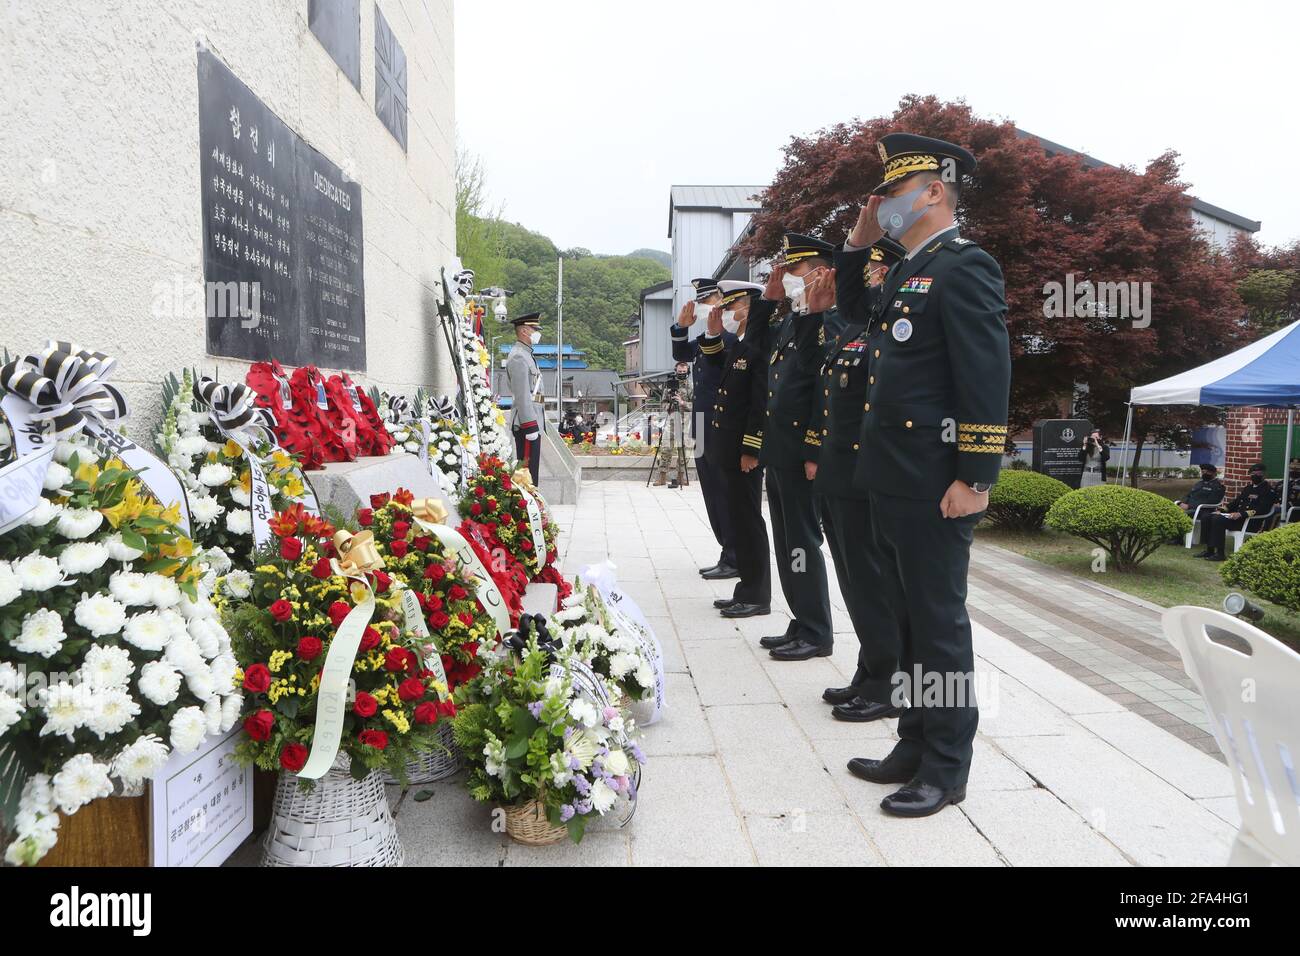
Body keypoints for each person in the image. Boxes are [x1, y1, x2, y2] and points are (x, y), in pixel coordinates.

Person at [842, 132, 1011, 818]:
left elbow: (986, 374)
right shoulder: (912, 267)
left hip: (937, 482)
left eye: (893, 193)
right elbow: (853, 314)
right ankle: (912, 745)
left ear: (934, 191)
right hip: (892, 478)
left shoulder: (965, 266)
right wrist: (856, 244)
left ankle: (946, 766)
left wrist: (976, 476)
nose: (883, 205)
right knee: (910, 623)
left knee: (939, 627)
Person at [811, 235, 907, 721]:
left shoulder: (888, 332)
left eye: (876, 272)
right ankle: (869, 669)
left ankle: (889, 681)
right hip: (837, 475)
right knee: (852, 580)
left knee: (872, 581)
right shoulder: (853, 330)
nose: (869, 280)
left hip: (862, 475)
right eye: (865, 273)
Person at [758, 233, 837, 662]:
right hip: (780, 450)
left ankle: (817, 630)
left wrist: (813, 449)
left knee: (804, 543)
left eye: (797, 271)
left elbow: (825, 392)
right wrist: (771, 302)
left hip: (803, 453)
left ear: (822, 272)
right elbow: (758, 361)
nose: (789, 279)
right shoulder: (793, 319)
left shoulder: (832, 320)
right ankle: (801, 619)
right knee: (786, 541)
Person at [701, 280, 772, 618]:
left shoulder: (759, 342)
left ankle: (758, 595)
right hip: (727, 447)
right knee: (738, 520)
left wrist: (751, 448)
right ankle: (745, 589)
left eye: (730, 307)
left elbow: (760, 402)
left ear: (748, 306)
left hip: (742, 450)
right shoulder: (742, 344)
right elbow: (721, 374)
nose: (726, 313)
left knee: (748, 521)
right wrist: (713, 336)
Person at [672, 281, 738, 575]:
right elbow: (681, 354)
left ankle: (735, 554)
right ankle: (726, 549)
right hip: (700, 424)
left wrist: (714, 333)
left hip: (720, 425)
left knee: (725, 491)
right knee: (711, 491)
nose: (701, 306)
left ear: (722, 302)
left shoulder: (733, 337)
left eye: (707, 299)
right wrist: (681, 326)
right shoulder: (705, 336)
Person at [1201, 462, 1278, 561]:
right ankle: (1209, 550)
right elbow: (1236, 503)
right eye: (1253, 474)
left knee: (1217, 519)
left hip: (1250, 521)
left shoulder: (1268, 490)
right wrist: (1221, 510)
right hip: (1237, 519)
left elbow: (1263, 509)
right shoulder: (1248, 488)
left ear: (1264, 475)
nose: (1256, 476)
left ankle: (1220, 554)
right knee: (1207, 516)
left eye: (1259, 474)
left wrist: (1241, 514)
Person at [506, 312, 544, 486]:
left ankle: (533, 507)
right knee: (526, 476)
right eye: (534, 329)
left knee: (531, 473)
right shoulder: (519, 357)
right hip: (525, 424)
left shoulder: (527, 354)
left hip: (532, 421)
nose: (538, 332)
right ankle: (527, 511)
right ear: (524, 331)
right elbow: (522, 395)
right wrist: (530, 426)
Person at [654, 362, 692, 488]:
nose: (681, 374)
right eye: (679, 372)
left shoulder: (691, 386)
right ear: (675, 371)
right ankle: (662, 477)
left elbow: (696, 405)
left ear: (688, 371)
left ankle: (681, 477)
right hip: (671, 420)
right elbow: (663, 403)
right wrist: (669, 405)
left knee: (684, 450)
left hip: (685, 421)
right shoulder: (669, 386)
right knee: (666, 448)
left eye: (684, 372)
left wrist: (682, 402)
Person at [1178, 463, 1225, 547]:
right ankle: (1176, 538)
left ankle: (1204, 542)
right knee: (1175, 511)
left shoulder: (1217, 486)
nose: (1204, 474)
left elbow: (1211, 501)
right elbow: (1189, 495)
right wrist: (1183, 503)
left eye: (1207, 472)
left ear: (1213, 473)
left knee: (1184, 514)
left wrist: (1190, 506)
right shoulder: (1199, 484)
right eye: (1203, 472)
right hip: (1192, 508)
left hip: (1204, 510)